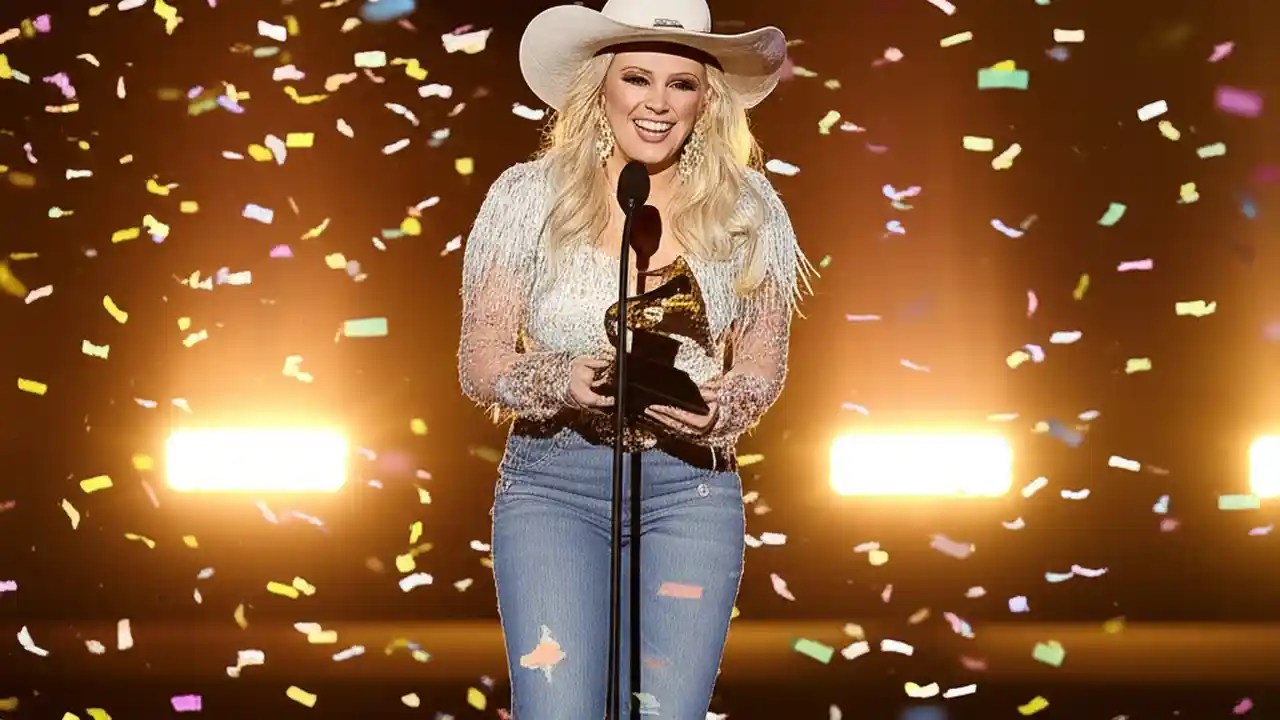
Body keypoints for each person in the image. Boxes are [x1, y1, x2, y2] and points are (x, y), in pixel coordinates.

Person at [457, 0, 811, 716]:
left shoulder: (750, 206)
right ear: (602, 88)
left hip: (690, 495)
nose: (657, 103)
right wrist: (560, 377)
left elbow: (762, 362)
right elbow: (480, 361)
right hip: (551, 490)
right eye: (637, 78)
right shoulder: (526, 197)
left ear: (707, 100)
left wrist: (723, 407)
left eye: (680, 84)